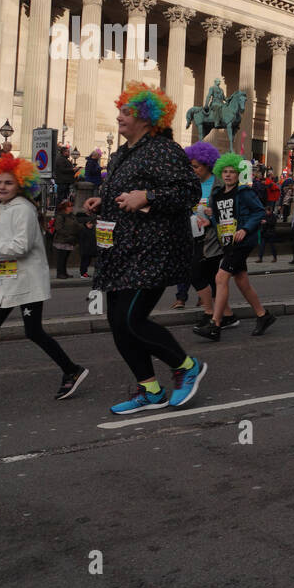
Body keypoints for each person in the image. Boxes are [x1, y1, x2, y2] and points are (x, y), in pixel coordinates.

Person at [84, 84, 206, 414]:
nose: (119, 116)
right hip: (120, 250)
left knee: (132, 319)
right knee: (118, 323)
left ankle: (185, 366)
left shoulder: (163, 149)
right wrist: (102, 201)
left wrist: (148, 197)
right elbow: (126, 193)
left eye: (127, 111)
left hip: (153, 250)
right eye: (120, 109)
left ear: (146, 118)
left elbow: (188, 192)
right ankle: (149, 389)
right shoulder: (123, 153)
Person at [0, 154, 86, 404]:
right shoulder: (7, 208)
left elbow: (20, 246)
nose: (1, 187)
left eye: (8, 183)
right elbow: (9, 245)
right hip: (11, 279)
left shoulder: (22, 209)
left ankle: (72, 370)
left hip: (27, 281)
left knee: (31, 332)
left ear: (20, 184)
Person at [195, 153, 276, 341]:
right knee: (241, 280)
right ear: (220, 173)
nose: (228, 175)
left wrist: (245, 229)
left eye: (232, 172)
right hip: (227, 242)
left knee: (220, 277)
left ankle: (215, 325)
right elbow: (221, 218)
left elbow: (258, 212)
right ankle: (263, 315)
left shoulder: (244, 192)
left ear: (239, 174)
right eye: (225, 172)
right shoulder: (217, 194)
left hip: (241, 242)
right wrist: (210, 222)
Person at [182, 141, 237, 332]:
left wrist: (212, 214)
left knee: (196, 273)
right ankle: (228, 316)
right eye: (191, 166)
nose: (193, 170)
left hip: (212, 235)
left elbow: (229, 209)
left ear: (207, 164)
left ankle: (209, 312)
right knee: (212, 278)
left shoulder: (219, 185)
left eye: (196, 166)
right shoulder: (191, 184)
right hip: (193, 232)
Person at [52, 200, 82, 278]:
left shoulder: (71, 216)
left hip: (70, 240)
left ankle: (64, 272)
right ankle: (60, 273)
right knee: (61, 257)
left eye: (71, 206)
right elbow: (59, 228)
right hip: (62, 240)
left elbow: (76, 225)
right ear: (65, 208)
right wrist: (68, 234)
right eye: (69, 206)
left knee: (65, 258)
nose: (71, 208)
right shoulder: (60, 216)